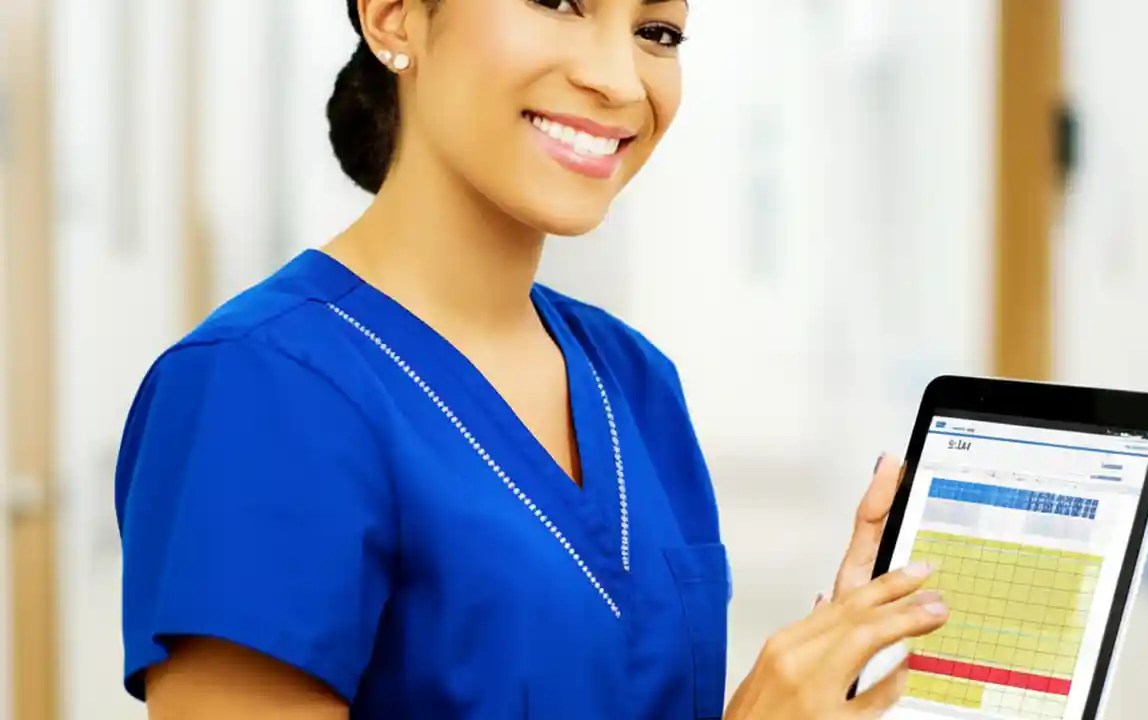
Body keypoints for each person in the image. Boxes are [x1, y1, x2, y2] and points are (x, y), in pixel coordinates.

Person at [113, 0, 949, 717]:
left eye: (657, 32)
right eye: (556, 0)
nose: (619, 81)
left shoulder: (636, 381)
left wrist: (826, 672)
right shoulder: (256, 389)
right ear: (394, 16)